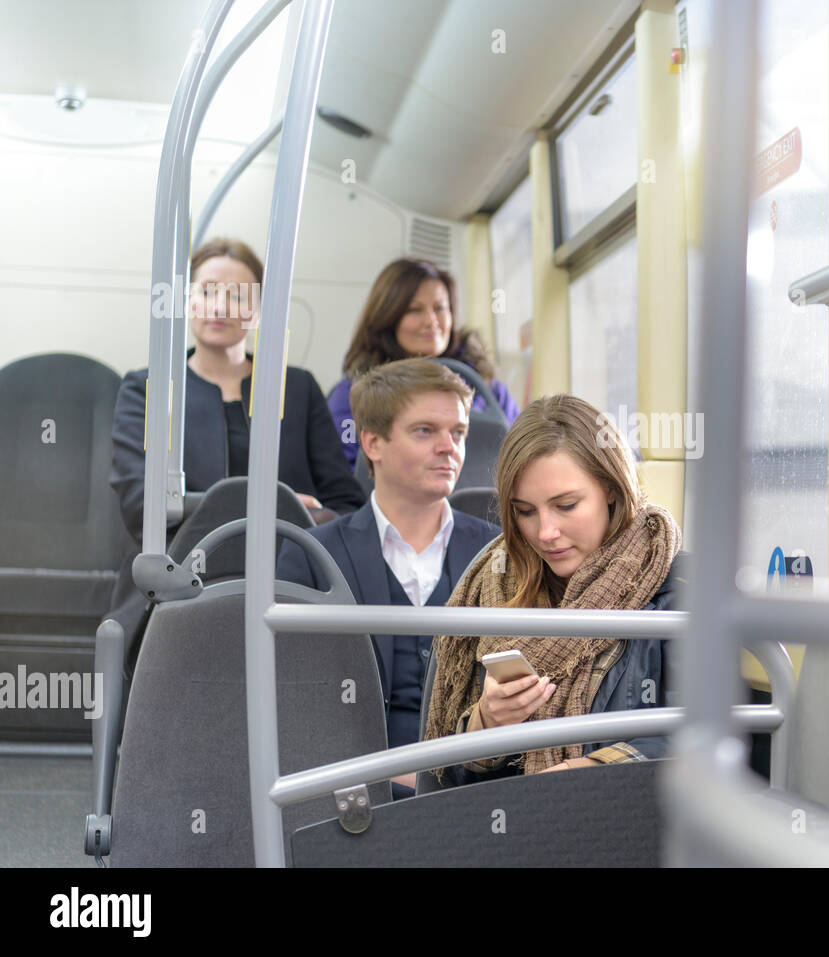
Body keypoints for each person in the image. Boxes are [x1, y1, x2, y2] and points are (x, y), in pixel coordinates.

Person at [105, 239, 366, 660]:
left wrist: (302, 514)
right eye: (207, 291)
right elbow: (141, 504)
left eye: (238, 295)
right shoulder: (149, 388)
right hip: (177, 581)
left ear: (259, 309)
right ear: (187, 301)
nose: (220, 306)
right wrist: (273, 505)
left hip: (287, 581)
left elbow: (345, 503)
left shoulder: (297, 388)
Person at [422, 394, 684, 788]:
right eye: (525, 511)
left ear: (611, 489)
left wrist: (586, 773)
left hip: (631, 828)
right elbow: (447, 776)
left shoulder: (674, 588)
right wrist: (485, 725)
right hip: (511, 826)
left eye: (566, 505)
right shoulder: (489, 583)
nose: (545, 533)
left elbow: (706, 738)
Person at [276, 358, 499, 796]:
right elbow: (295, 705)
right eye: (425, 431)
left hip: (476, 794)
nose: (448, 447)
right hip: (350, 797)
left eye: (458, 433)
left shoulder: (500, 553)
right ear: (373, 443)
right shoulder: (312, 557)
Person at [327, 258, 520, 468]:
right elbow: (344, 476)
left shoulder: (486, 387)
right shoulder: (352, 395)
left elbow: (523, 452)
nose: (431, 321)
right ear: (388, 317)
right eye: (414, 310)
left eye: (440, 308)